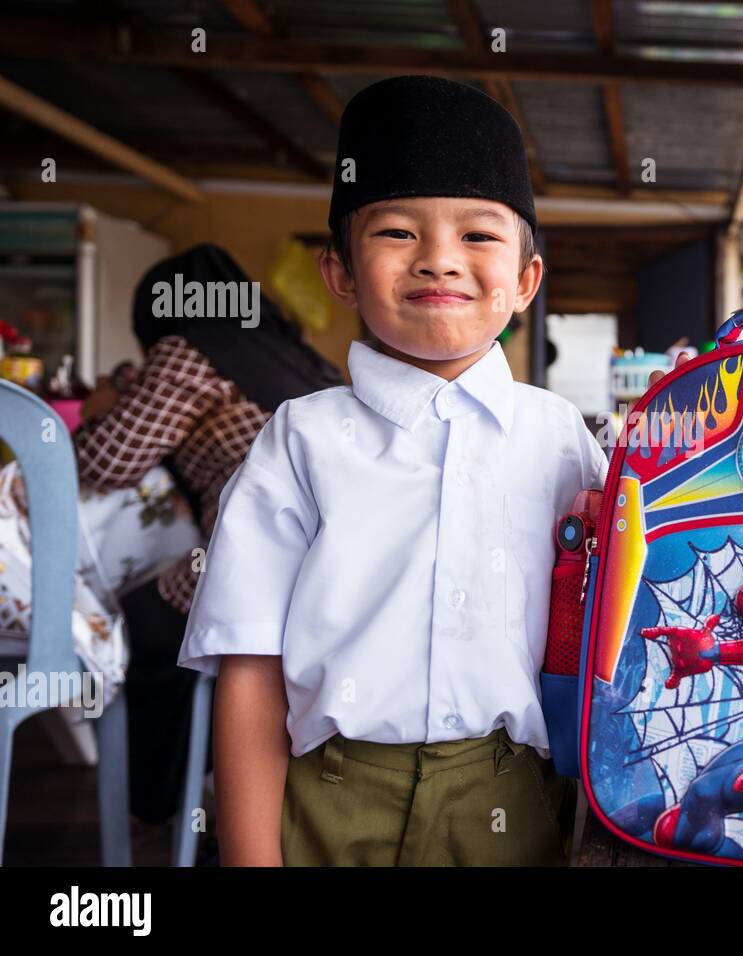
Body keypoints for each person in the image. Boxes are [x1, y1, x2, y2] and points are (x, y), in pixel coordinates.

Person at [179, 75, 657, 866]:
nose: (440, 260)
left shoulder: (564, 439)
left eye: (478, 236)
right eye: (397, 232)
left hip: (514, 807)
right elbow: (251, 674)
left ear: (526, 282)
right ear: (339, 273)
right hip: (329, 806)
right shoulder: (300, 440)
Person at [72, 243, 344, 825]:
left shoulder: (188, 351)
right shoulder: (291, 357)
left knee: (135, 625)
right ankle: (212, 796)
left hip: (257, 564)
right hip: (333, 569)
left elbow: (106, 461)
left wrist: (98, 409)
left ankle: (157, 808)